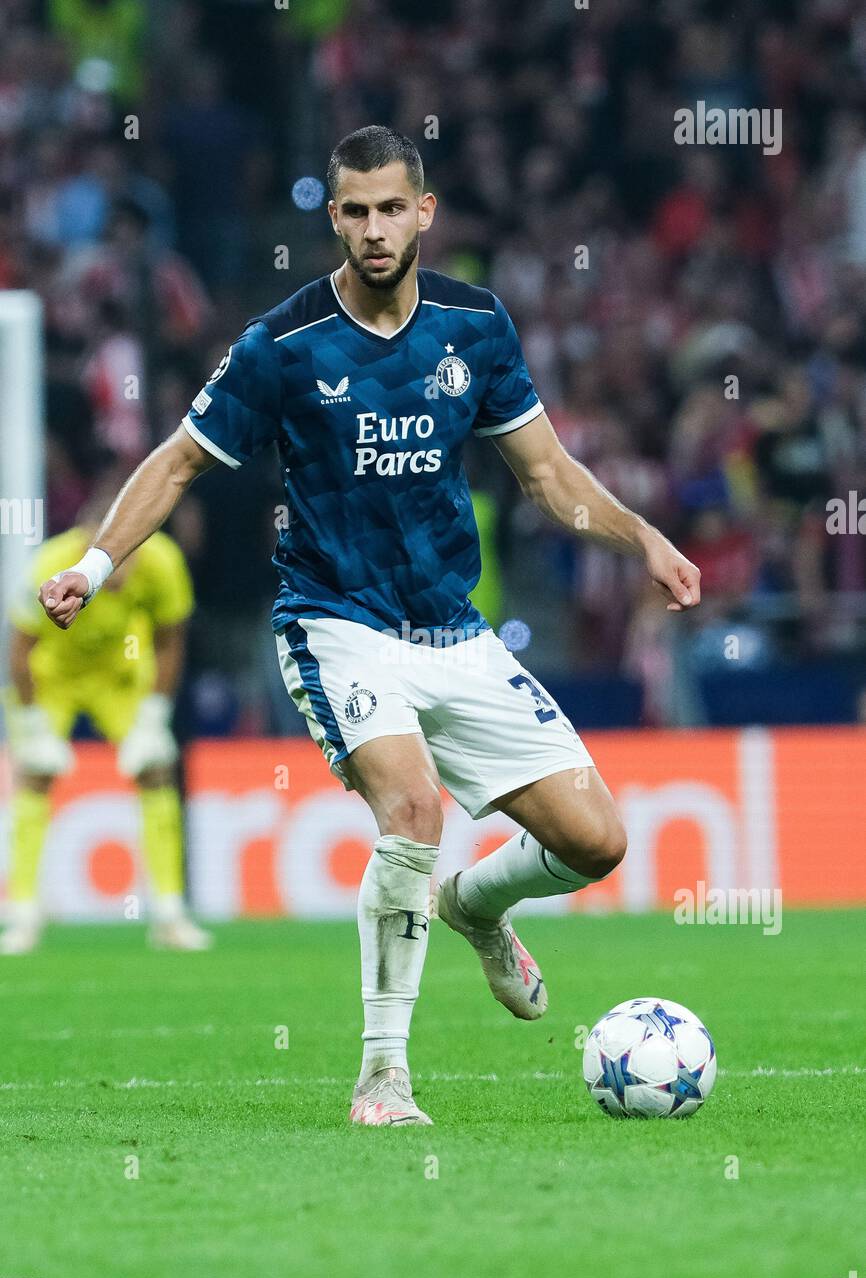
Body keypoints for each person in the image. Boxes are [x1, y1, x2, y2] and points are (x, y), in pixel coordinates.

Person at [36, 126, 700, 1123]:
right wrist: (93, 564)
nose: (377, 229)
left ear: (424, 211)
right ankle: (382, 1076)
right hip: (335, 620)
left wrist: (641, 537)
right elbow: (177, 460)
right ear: (334, 220)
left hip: (453, 628)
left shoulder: (474, 325)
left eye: (393, 208)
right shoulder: (282, 346)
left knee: (596, 840)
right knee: (413, 811)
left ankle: (474, 903)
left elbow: (548, 475)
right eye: (356, 211)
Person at [4, 500, 209, 954]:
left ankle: (169, 914)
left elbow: (169, 640)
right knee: (34, 776)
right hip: (52, 677)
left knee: (155, 768)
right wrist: (34, 725)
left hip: (119, 676)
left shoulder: (162, 562)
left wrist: (154, 716)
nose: (120, 572)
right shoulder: (50, 563)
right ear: (84, 545)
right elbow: (19, 647)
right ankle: (22, 914)